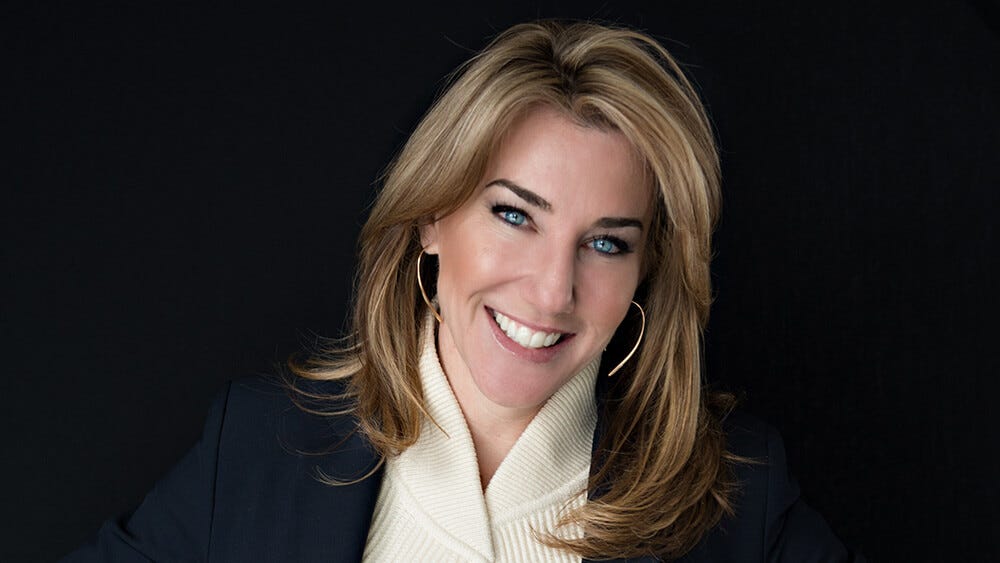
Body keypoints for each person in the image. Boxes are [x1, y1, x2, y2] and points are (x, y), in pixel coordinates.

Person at [64, 20, 862, 562]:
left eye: (606, 242)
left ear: (645, 271)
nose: (551, 290)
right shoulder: (258, 446)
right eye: (515, 215)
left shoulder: (736, 494)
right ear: (430, 217)